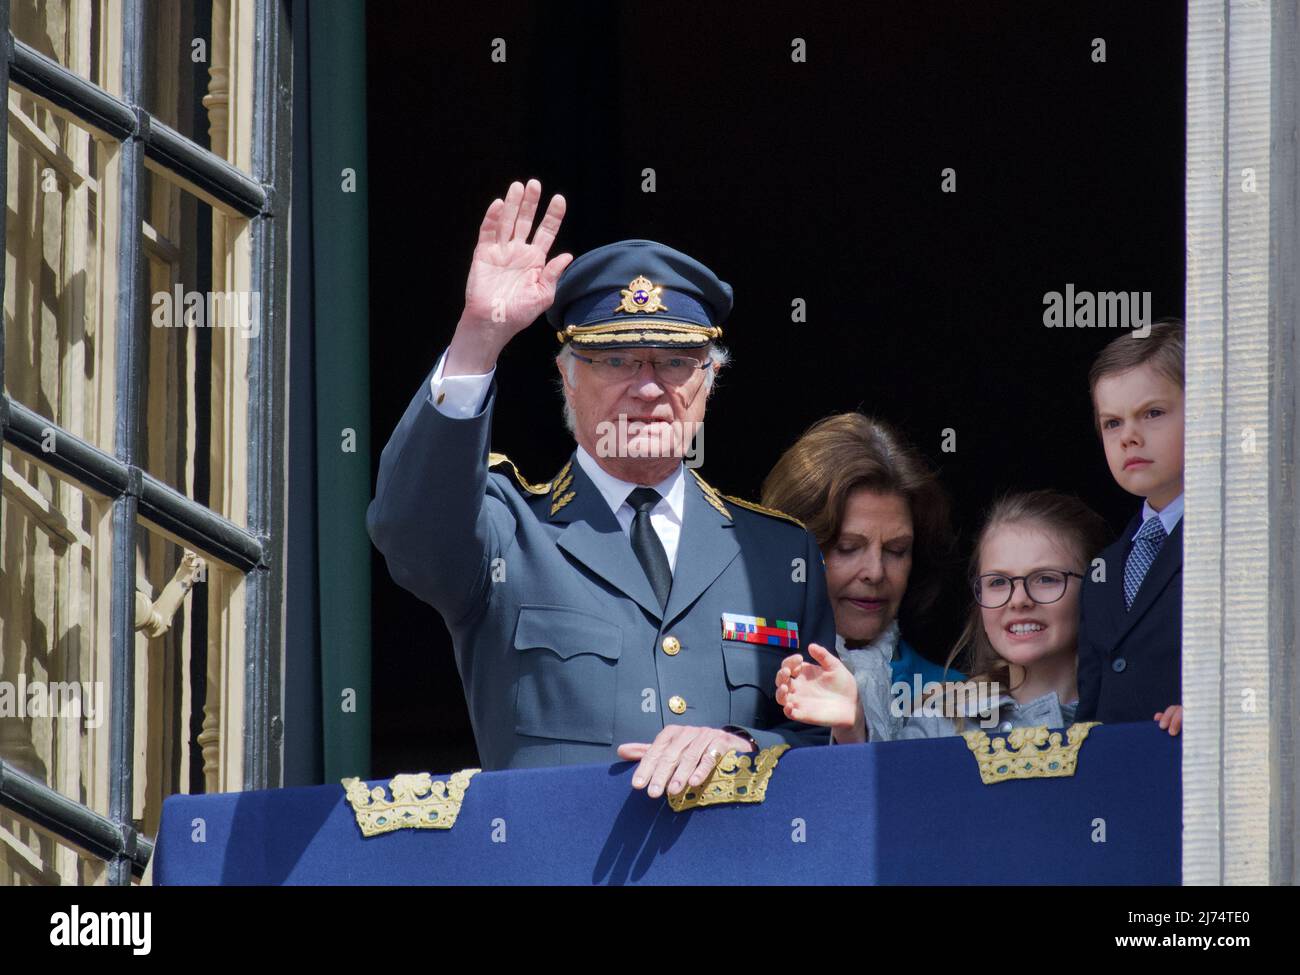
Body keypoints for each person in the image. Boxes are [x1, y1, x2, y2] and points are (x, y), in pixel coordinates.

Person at [366, 179, 836, 795]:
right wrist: (479, 338)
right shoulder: (507, 531)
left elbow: (828, 745)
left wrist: (744, 745)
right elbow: (407, 531)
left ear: (709, 381)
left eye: (673, 362)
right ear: (567, 377)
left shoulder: (780, 555)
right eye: (616, 360)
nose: (647, 388)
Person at [775, 490, 1111, 741]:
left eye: (1046, 579)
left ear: (1096, 586)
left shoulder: (1131, 707)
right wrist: (852, 729)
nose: (1018, 599)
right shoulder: (943, 717)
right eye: (997, 582)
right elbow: (887, 814)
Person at [760, 413, 961, 741]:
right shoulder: (746, 684)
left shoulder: (957, 695)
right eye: (848, 547)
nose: (875, 572)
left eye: (896, 550)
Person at [1077, 320, 1185, 733]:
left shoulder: (1238, 543)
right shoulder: (1102, 571)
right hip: (1119, 786)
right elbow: (1090, 715)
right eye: (1112, 423)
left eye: (1152, 413)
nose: (1129, 437)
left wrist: (1219, 713)